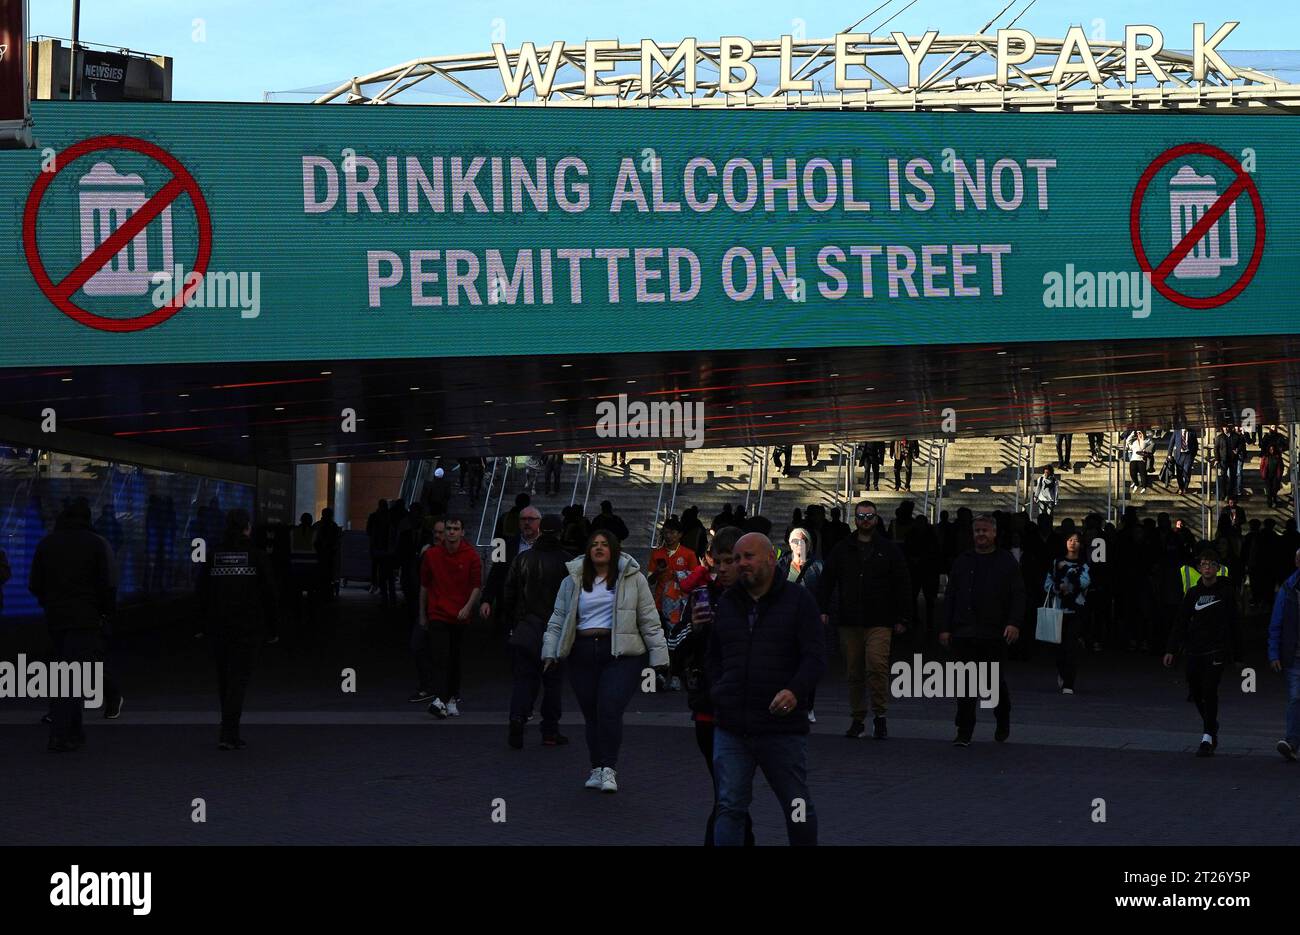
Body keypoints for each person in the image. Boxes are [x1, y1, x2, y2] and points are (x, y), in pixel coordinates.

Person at [708, 533, 825, 846]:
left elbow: (815, 657)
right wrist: (719, 690)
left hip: (781, 728)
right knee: (730, 806)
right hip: (733, 726)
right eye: (736, 558)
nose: (741, 564)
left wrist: (795, 691)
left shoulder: (799, 601)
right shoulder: (728, 603)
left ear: (772, 559)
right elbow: (713, 656)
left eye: (748, 557)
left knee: (796, 805)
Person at [541, 530, 667, 793]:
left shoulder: (635, 579)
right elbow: (558, 618)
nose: (598, 548)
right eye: (594, 544)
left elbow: (649, 619)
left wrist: (659, 657)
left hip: (620, 654)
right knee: (591, 714)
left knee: (609, 708)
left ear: (614, 549)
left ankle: (609, 768)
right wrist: (550, 652)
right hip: (582, 652)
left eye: (604, 544)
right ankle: (596, 767)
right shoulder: (572, 581)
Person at [681, 526, 754, 845]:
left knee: (731, 795)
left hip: (750, 712)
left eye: (730, 561)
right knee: (727, 794)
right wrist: (696, 631)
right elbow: (676, 646)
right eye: (719, 562)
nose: (723, 569)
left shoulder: (758, 599)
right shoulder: (703, 596)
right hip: (711, 713)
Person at [818, 500, 911, 740]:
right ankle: (857, 717)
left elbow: (902, 583)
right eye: (861, 516)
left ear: (877, 518)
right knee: (853, 671)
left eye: (869, 516)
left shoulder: (889, 549)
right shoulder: (842, 548)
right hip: (850, 619)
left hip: (880, 618)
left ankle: (880, 716)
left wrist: (903, 616)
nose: (865, 521)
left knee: (876, 666)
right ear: (855, 519)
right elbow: (827, 579)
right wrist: (823, 608)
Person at [28, 500, 116, 752]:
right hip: (86, 619)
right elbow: (106, 584)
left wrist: (49, 603)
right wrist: (106, 614)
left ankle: (71, 731)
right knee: (76, 677)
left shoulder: (47, 543)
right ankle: (63, 734)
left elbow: (35, 583)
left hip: (56, 619)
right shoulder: (95, 543)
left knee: (62, 676)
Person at [939, 514, 1024, 746]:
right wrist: (945, 628)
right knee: (965, 682)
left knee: (992, 681)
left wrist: (1014, 622)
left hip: (994, 632)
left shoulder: (1006, 561)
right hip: (965, 631)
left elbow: (1018, 595)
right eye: (977, 531)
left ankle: (1002, 716)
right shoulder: (962, 561)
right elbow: (951, 596)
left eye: (985, 531)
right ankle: (964, 730)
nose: (981, 535)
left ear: (994, 533)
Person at [197, 509, 277, 750]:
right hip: (248, 628)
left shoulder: (214, 556)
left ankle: (228, 729)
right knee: (239, 680)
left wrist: (202, 625)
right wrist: (272, 628)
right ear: (247, 528)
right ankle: (229, 732)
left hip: (220, 628)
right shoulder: (257, 557)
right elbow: (270, 594)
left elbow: (202, 592)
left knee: (224, 679)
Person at [502, 514, 571, 748]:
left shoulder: (523, 559)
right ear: (560, 532)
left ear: (541, 530)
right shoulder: (567, 562)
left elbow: (509, 594)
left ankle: (517, 717)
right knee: (552, 682)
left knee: (524, 679)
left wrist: (514, 623)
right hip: (555, 628)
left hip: (527, 626)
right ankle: (550, 730)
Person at [1164, 550, 1240, 756]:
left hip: (1216, 649)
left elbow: (1234, 622)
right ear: (1199, 569)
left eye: (1211, 564)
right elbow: (1180, 621)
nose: (1207, 568)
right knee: (1196, 691)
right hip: (1194, 649)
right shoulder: (1193, 594)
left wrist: (1237, 653)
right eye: (1204, 564)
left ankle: (1207, 735)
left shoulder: (1225, 592)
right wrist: (1171, 649)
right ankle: (1211, 723)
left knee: (1210, 689)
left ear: (1217, 568)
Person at [419, 516, 483, 718]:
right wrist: (423, 614)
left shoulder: (471, 555)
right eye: (448, 528)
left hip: (460, 615)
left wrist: (468, 607)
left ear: (462, 532)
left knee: (454, 658)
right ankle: (440, 698)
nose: (451, 532)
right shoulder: (432, 555)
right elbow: (424, 586)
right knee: (440, 656)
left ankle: (451, 698)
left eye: (456, 528)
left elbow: (476, 586)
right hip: (438, 612)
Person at [647, 517, 699, 692]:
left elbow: (695, 579)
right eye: (666, 533)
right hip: (659, 604)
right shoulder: (657, 554)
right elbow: (650, 580)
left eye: (672, 533)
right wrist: (658, 572)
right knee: (659, 641)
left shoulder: (689, 554)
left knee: (678, 641)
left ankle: (676, 674)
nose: (668, 536)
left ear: (680, 535)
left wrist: (681, 576)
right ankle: (659, 675)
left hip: (681, 606)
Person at [777, 528, 824, 722]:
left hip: (809, 620)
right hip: (785, 621)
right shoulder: (781, 564)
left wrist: (824, 612)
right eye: (794, 541)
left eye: (802, 540)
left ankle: (808, 706)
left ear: (809, 543)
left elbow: (825, 592)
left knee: (807, 662)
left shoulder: (818, 566)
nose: (798, 544)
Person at [480, 506, 542, 632]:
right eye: (523, 519)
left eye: (531, 519)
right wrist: (486, 600)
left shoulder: (546, 546)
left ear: (539, 521)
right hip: (510, 606)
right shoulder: (504, 545)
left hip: (538, 607)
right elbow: (495, 574)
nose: (526, 523)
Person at [1044, 531, 1091, 694]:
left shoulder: (1084, 565)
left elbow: (1085, 582)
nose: (1072, 543)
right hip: (1059, 608)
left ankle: (1069, 683)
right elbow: (1047, 583)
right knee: (1058, 647)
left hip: (1076, 609)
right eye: (1070, 540)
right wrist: (1057, 588)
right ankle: (1062, 672)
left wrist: (1068, 573)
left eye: (1076, 541)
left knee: (1071, 645)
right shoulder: (1056, 562)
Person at [1268, 547, 1300, 762]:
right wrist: (1273, 653)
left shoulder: (1289, 588)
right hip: (1295, 654)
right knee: (1295, 697)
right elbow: (1276, 622)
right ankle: (1291, 741)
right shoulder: (1288, 588)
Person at [366, 499, 394, 604]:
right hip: (386, 548)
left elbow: (368, 530)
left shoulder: (373, 516)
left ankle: (376, 586)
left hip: (376, 547)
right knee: (386, 572)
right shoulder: (390, 517)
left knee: (375, 566)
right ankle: (386, 593)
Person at [1168, 428, 1198, 496]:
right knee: (1179, 473)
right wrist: (1169, 454)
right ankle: (1181, 488)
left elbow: (1196, 444)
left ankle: (1185, 487)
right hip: (1179, 455)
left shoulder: (1192, 432)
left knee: (1187, 471)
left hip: (1188, 455)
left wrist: (1194, 454)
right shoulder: (1176, 431)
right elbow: (1171, 443)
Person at [1213, 426, 1237, 502]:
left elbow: (1241, 445)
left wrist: (1238, 450)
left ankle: (1231, 495)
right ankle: (1223, 494)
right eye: (1224, 428)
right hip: (1223, 460)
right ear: (1222, 428)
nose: (1226, 429)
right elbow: (1216, 448)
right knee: (1223, 477)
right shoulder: (1219, 437)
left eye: (1227, 427)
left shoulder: (1235, 436)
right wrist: (1217, 459)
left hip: (1233, 460)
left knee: (1232, 477)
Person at [1262, 441, 1285, 509]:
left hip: (1275, 476)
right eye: (1270, 449)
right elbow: (1262, 466)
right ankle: (1270, 502)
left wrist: (1280, 474)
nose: (1272, 451)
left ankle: (1274, 499)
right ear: (1268, 450)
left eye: (1273, 449)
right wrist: (1263, 473)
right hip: (1268, 476)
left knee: (1274, 489)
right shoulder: (1266, 457)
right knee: (1269, 490)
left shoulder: (1278, 457)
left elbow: (1281, 466)